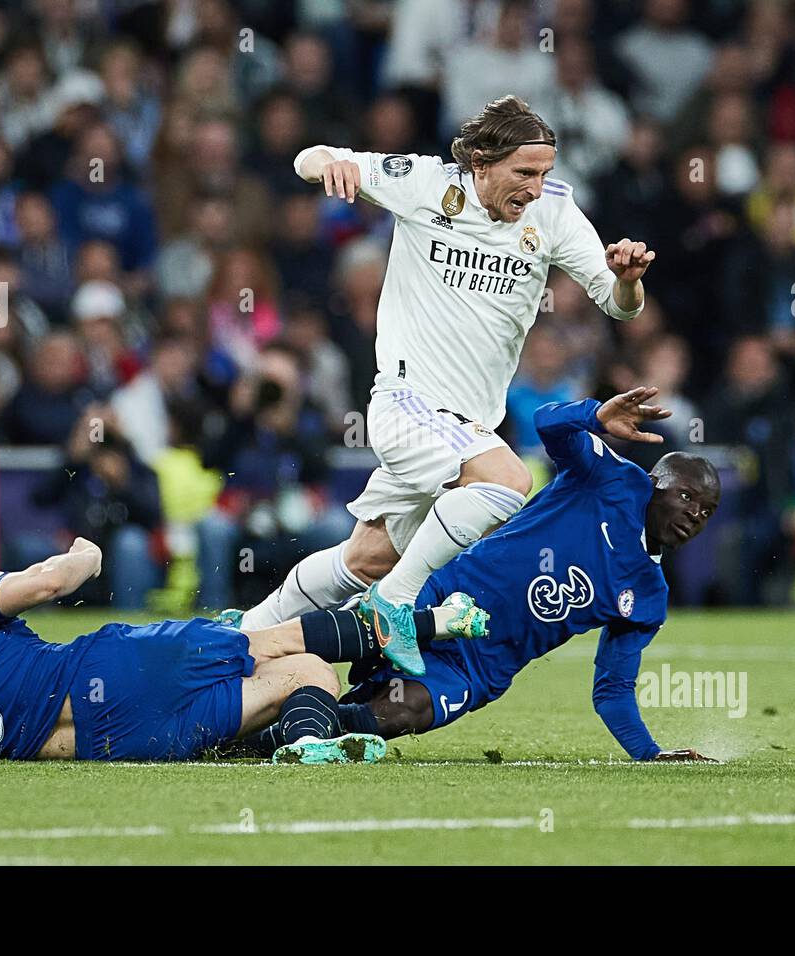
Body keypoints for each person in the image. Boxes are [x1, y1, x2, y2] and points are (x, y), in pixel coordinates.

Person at [233, 94, 656, 679]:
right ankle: (394, 606)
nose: (535, 188)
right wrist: (329, 162)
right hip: (407, 402)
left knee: (366, 557)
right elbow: (311, 157)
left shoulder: (553, 211)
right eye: (524, 173)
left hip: (467, 425)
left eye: (544, 174)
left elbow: (618, 306)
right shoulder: (428, 184)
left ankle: (243, 635)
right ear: (481, 162)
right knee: (509, 480)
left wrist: (627, 278)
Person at [240, 387, 722, 763]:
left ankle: (260, 737)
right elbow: (547, 423)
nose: (694, 515)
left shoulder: (649, 595)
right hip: (445, 593)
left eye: (706, 512)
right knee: (326, 640)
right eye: (686, 497)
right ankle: (229, 651)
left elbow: (612, 689)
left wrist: (649, 752)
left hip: (478, 667)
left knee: (397, 713)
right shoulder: (611, 477)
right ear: (656, 483)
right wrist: (595, 415)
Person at [0, 538, 487, 767]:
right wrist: (85, 552)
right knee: (275, 640)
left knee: (305, 674)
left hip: (112, 745)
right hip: (104, 671)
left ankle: (306, 745)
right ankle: (436, 621)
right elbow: (54, 580)